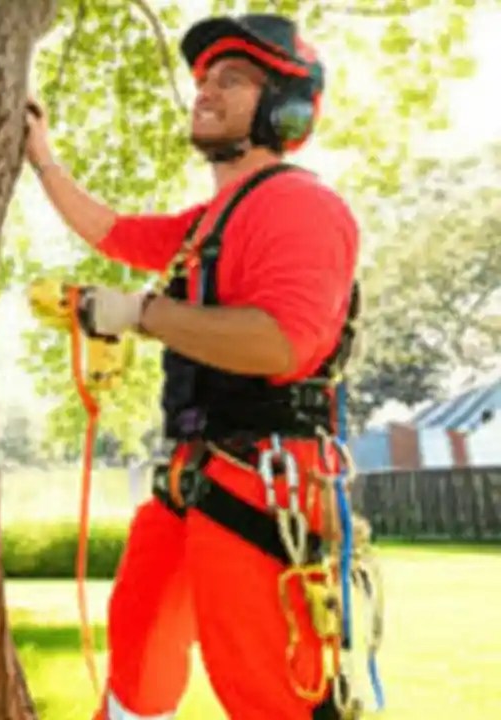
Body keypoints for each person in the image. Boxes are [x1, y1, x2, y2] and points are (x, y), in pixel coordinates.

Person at [23, 13, 362, 720]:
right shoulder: (207, 224)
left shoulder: (301, 206)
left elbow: (281, 344)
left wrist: (139, 313)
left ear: (285, 108)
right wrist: (41, 155)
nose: (205, 90)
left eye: (232, 79)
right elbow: (110, 230)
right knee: (139, 655)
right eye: (204, 79)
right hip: (193, 473)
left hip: (266, 480)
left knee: (270, 687)